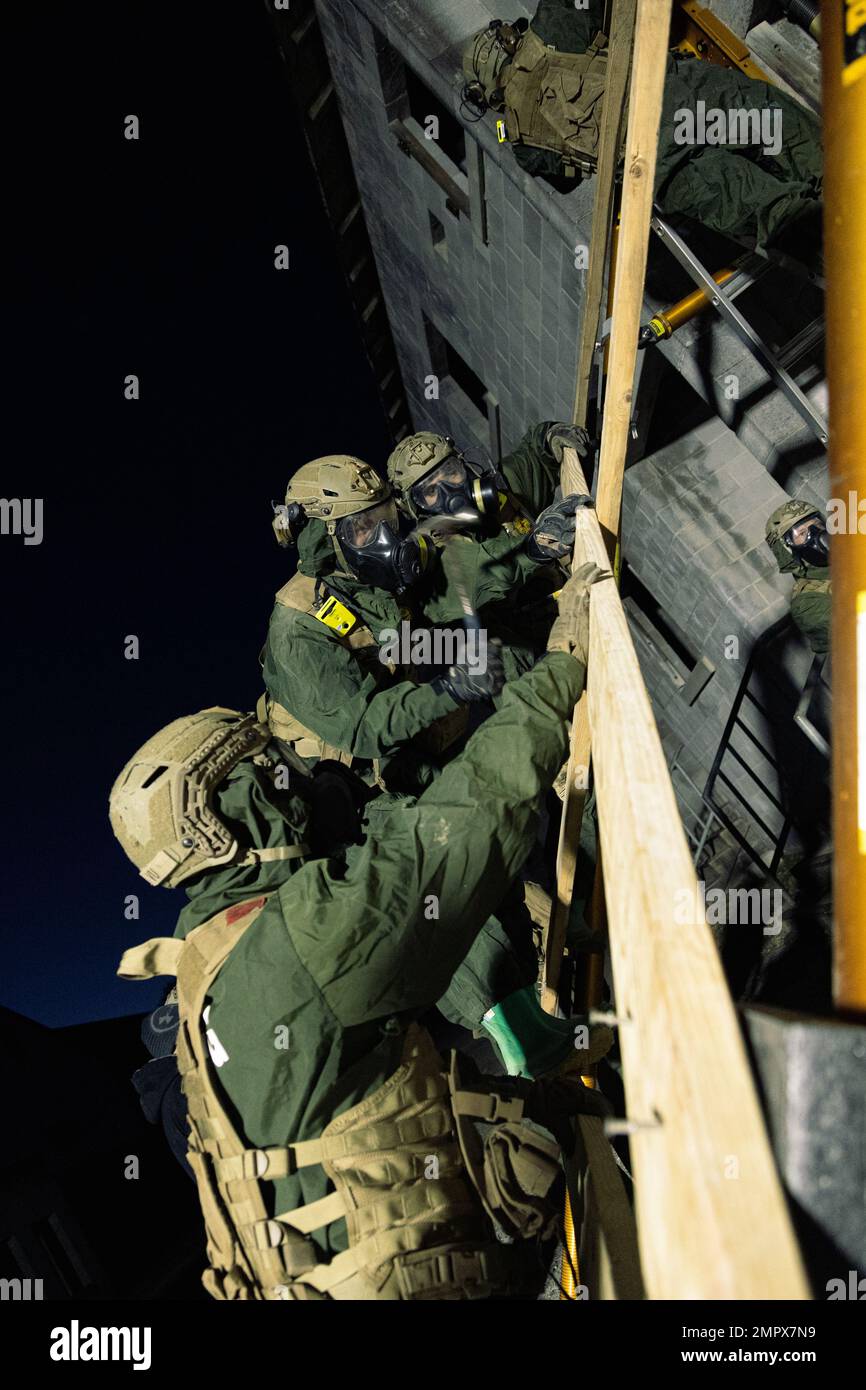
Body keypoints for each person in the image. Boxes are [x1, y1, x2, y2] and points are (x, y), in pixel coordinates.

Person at [112, 565, 610, 1301]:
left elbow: (349, 1115)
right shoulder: (300, 938)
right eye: (276, 771)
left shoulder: (202, 972)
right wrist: (564, 665)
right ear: (246, 809)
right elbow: (477, 813)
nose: (303, 781)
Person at [462, 1, 823, 270]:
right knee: (785, 133)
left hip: (658, 168)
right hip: (688, 97)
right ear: (507, 36)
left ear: (488, 89)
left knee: (769, 212)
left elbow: (567, 181)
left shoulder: (520, 143)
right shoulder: (552, 23)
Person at [765, 498, 831, 656]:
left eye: (816, 525)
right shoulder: (807, 604)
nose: (817, 533)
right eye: (802, 533)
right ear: (788, 551)